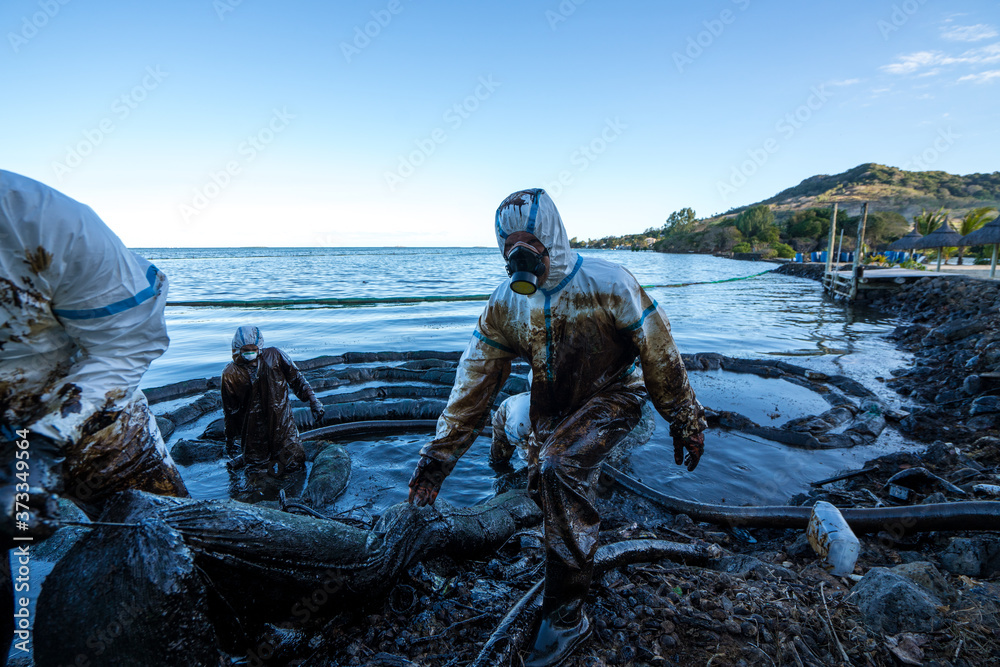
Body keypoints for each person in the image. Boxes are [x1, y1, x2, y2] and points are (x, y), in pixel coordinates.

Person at [408, 188, 706, 666]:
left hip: (613, 396)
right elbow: (473, 382)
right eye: (510, 245)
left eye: (530, 242)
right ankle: (545, 517)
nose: (520, 255)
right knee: (537, 466)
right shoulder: (506, 303)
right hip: (552, 408)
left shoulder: (610, 284)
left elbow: (659, 352)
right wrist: (438, 457)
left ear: (553, 237)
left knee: (556, 465)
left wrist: (685, 418)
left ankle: (567, 616)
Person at [0, 169, 189, 662]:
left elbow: (130, 338)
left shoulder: (41, 220)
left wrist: (36, 448)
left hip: (97, 423)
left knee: (176, 539)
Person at [221, 326, 324, 474]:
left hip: (283, 426)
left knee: (295, 466)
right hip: (253, 435)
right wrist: (230, 439)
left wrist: (313, 400)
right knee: (257, 473)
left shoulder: (274, 356)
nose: (250, 353)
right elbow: (230, 411)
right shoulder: (230, 373)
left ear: (259, 346)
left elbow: (297, 379)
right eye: (245, 350)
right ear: (237, 349)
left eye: (253, 349)